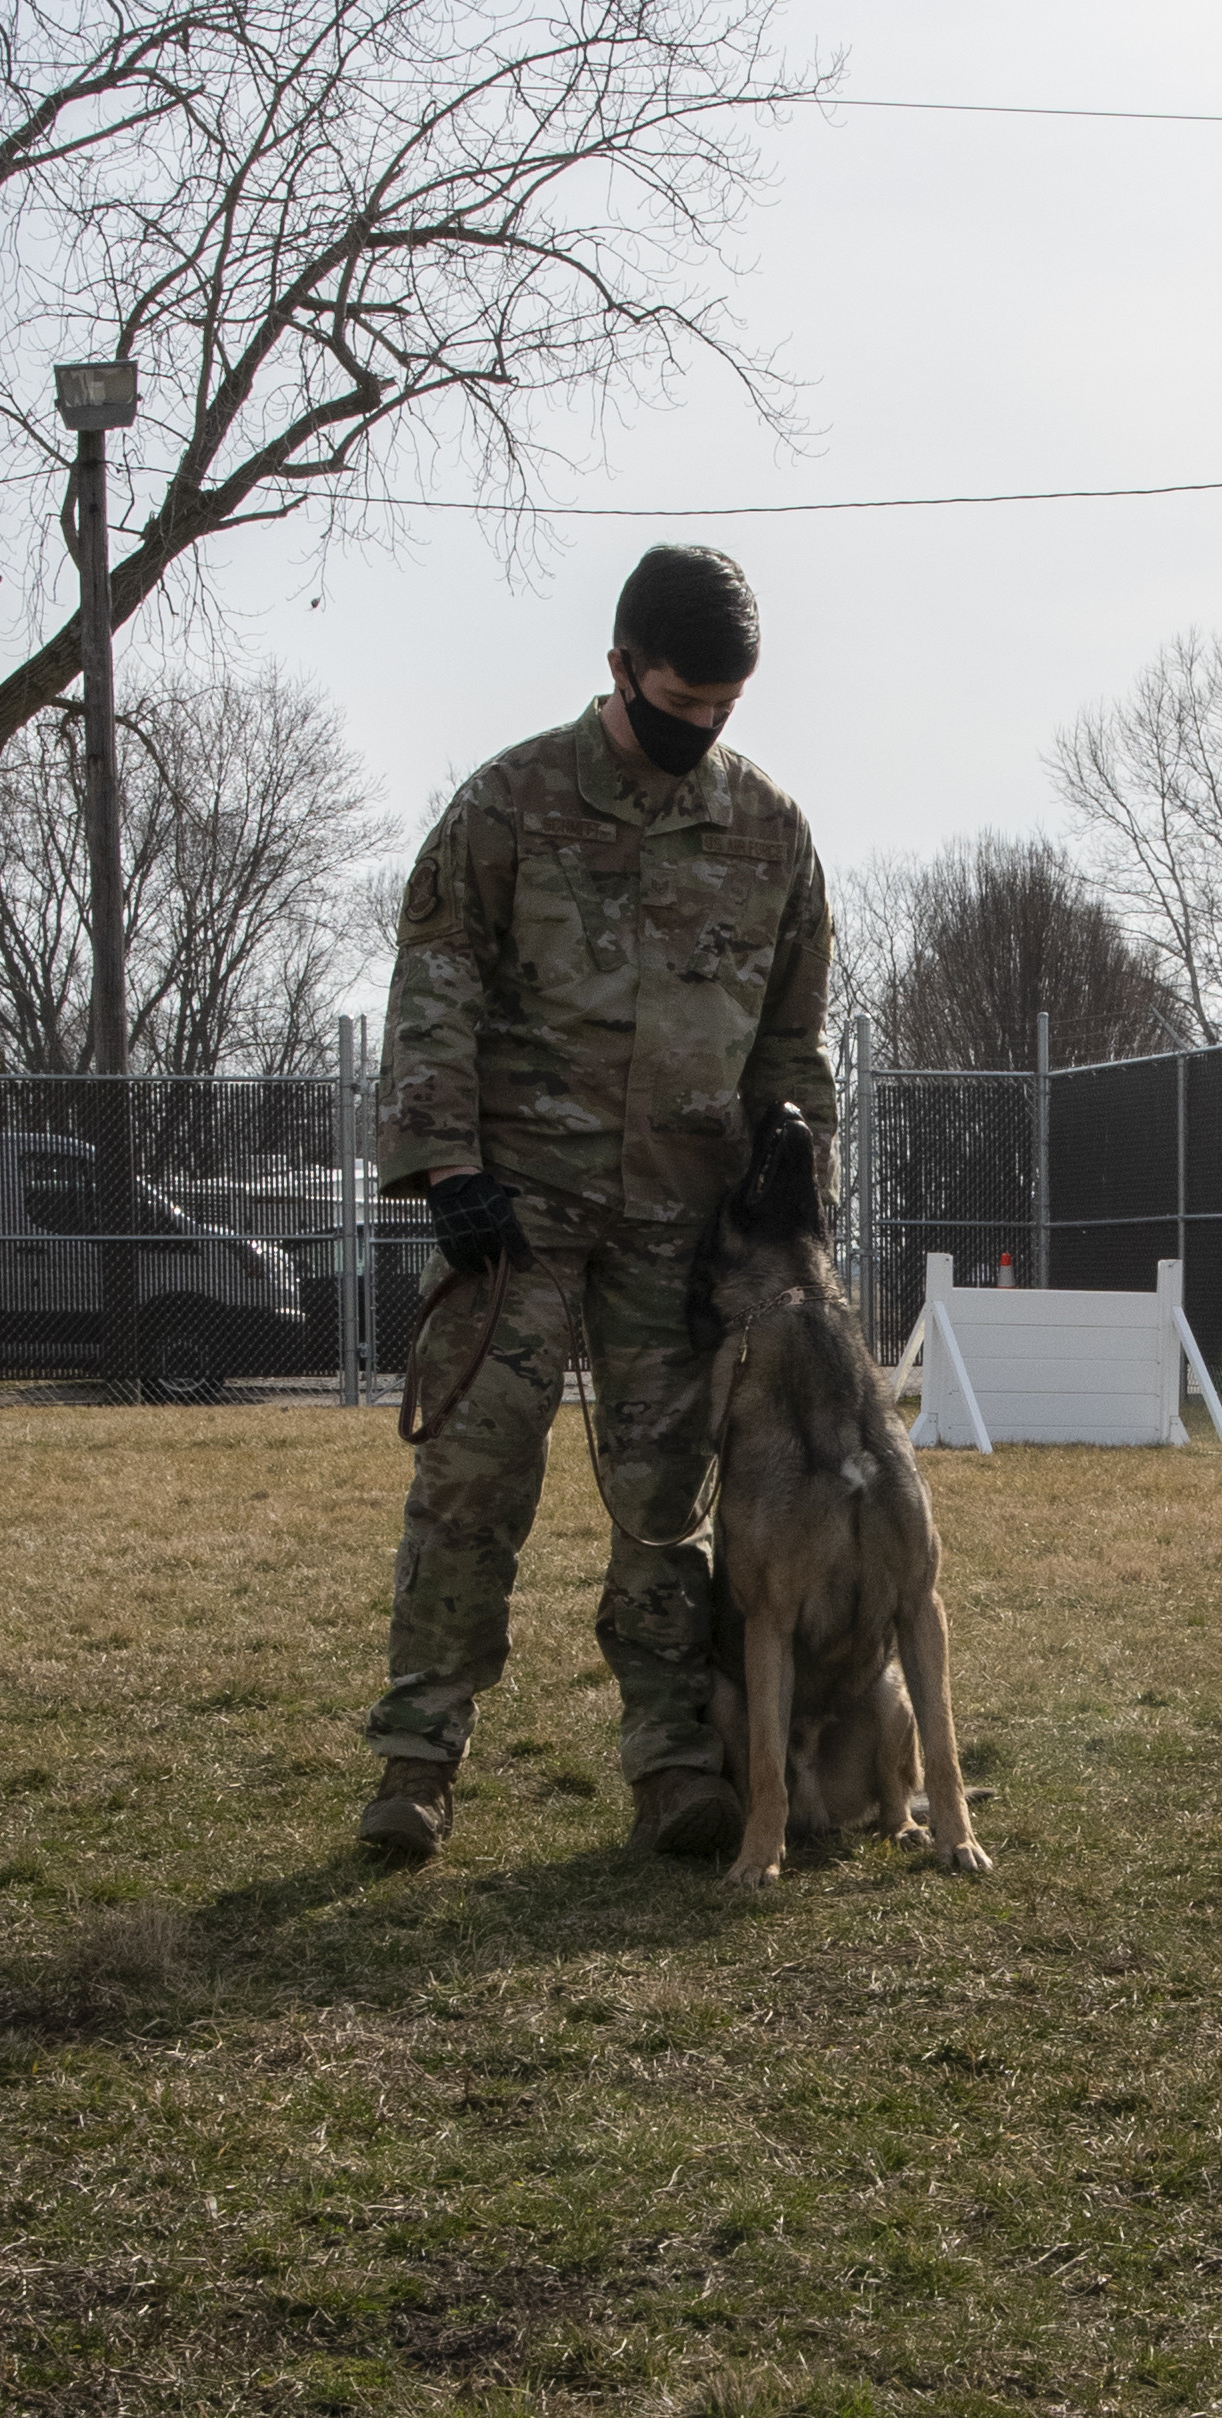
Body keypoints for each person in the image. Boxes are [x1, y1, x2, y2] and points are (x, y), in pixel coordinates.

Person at [360, 545, 836, 1863]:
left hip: (681, 1230)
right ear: (621, 665)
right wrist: (446, 1164)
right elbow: (434, 986)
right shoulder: (507, 808)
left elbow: (793, 1042)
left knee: (665, 1506)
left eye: (721, 713)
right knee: (471, 1480)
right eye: (680, 705)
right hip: (514, 1211)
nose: (699, 733)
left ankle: (676, 1766)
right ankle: (415, 1764)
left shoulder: (771, 836)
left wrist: (799, 1190)